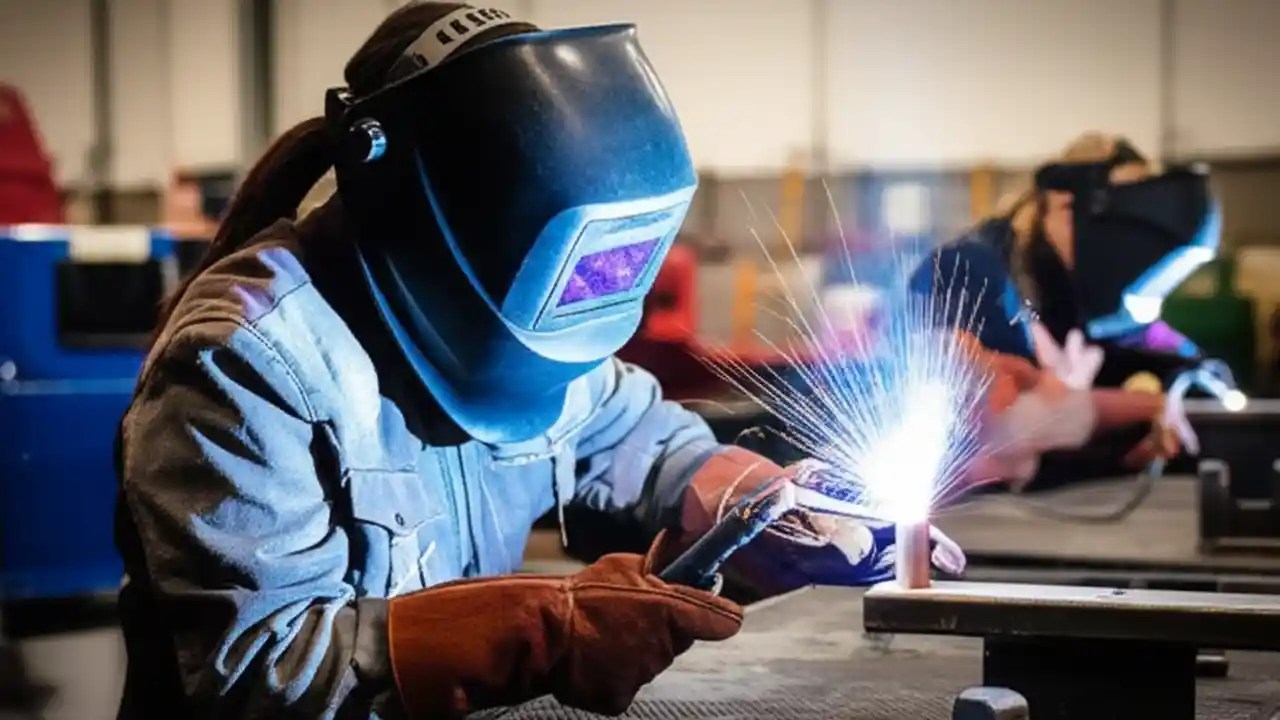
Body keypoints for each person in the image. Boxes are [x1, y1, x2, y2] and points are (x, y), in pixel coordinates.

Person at [114, 5, 965, 719]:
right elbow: (259, 672)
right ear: (431, 223)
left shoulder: (523, 310)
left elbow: (633, 433)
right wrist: (544, 629)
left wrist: (752, 498)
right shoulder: (246, 359)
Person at [910, 132, 1220, 483]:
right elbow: (1000, 430)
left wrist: (1176, 391)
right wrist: (1132, 424)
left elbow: (1186, 363)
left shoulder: (1089, 302)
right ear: (1063, 204)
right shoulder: (967, 271)